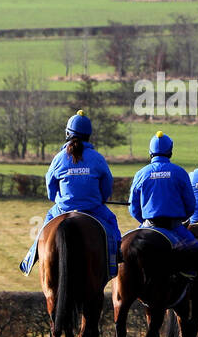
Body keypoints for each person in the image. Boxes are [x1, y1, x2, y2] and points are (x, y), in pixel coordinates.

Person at [19, 111, 122, 275]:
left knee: (45, 230)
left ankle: (30, 258)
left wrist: (58, 199)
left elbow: (50, 188)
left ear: (68, 133)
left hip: (62, 209)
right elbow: (107, 185)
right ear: (88, 135)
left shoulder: (58, 158)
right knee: (111, 221)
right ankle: (116, 257)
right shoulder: (97, 158)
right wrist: (100, 199)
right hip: (94, 210)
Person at [128, 131, 198, 257]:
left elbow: (133, 208)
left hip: (148, 225)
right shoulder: (180, 172)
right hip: (174, 227)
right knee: (197, 251)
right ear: (170, 152)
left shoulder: (141, 173)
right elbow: (190, 205)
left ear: (150, 152)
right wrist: (181, 219)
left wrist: (145, 220)